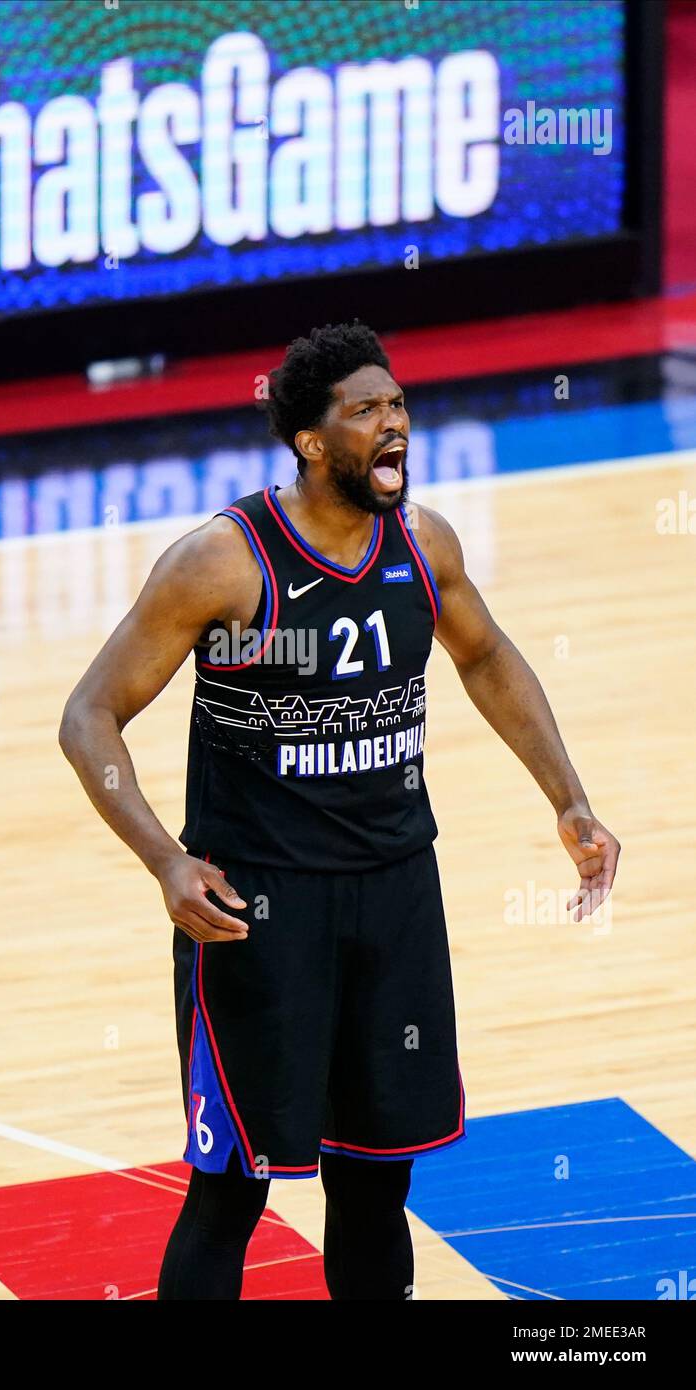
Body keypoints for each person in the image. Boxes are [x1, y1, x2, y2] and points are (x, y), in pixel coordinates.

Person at [59, 321, 620, 1300]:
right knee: (230, 1191)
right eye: (364, 410)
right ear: (311, 443)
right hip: (259, 910)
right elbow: (88, 716)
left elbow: (483, 655)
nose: (391, 422)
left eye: (395, 403)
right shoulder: (223, 562)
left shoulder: (422, 542)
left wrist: (567, 799)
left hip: (396, 895)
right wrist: (163, 860)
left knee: (375, 1183)